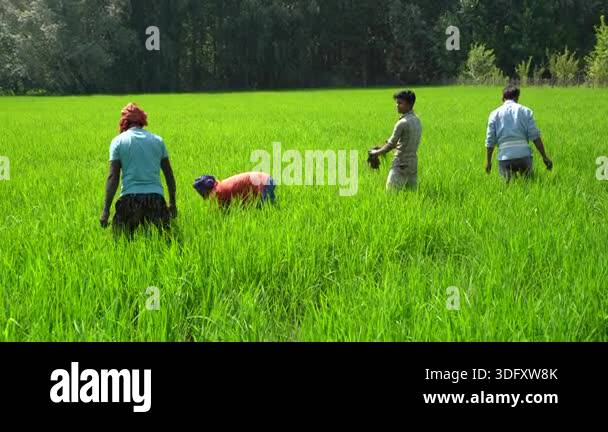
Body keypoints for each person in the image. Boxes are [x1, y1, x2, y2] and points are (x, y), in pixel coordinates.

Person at [100, 103, 177, 235]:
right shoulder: (158, 140)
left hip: (130, 200)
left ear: (124, 122)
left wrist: (106, 210)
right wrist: (172, 203)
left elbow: (113, 177)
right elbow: (169, 175)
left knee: (121, 245)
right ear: (142, 121)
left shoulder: (118, 141)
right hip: (156, 200)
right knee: (165, 244)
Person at [485, 85, 553, 180]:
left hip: (505, 157)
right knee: (528, 187)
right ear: (517, 97)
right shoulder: (526, 111)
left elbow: (490, 140)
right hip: (524, 156)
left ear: (503, 98)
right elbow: (535, 137)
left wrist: (488, 162)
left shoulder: (494, 114)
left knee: (508, 190)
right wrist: (544, 157)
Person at [369, 90, 422, 190]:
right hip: (412, 165)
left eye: (400, 103)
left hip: (400, 165)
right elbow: (401, 141)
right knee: (411, 196)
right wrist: (382, 147)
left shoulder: (402, 123)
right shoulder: (417, 120)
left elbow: (391, 144)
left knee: (390, 196)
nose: (397, 105)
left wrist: (376, 153)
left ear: (409, 104)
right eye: (397, 103)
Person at [193, 172, 276, 207]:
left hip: (264, 184)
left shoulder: (219, 192)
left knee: (267, 210)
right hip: (266, 179)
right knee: (259, 208)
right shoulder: (220, 185)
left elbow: (224, 211)